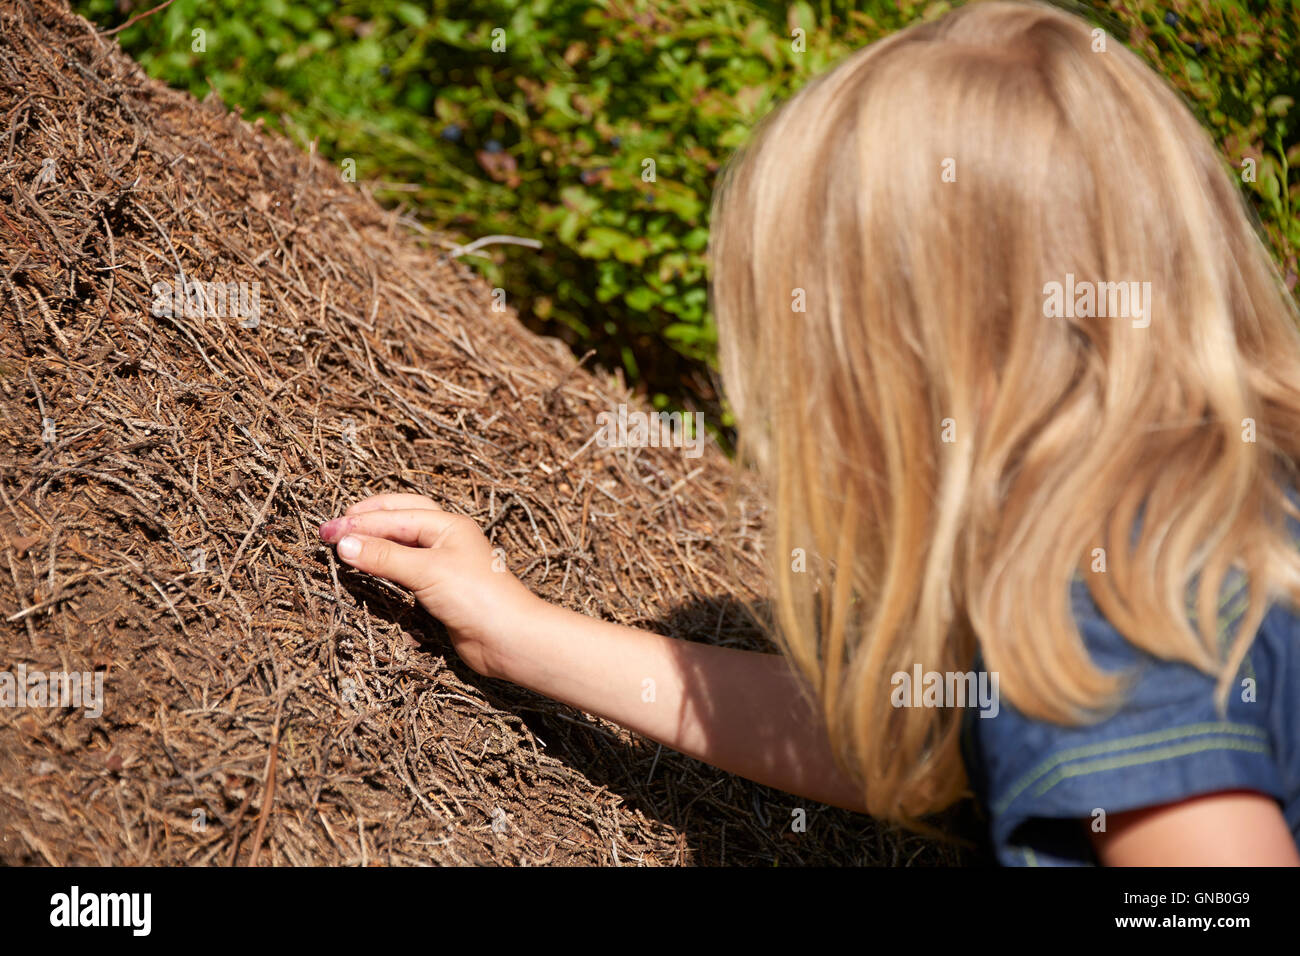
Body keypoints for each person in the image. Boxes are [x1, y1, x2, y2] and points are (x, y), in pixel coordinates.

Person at [318, 1, 1300, 865]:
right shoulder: (1210, 520)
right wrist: (521, 636)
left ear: (921, 357)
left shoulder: (1115, 619)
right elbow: (927, 738)